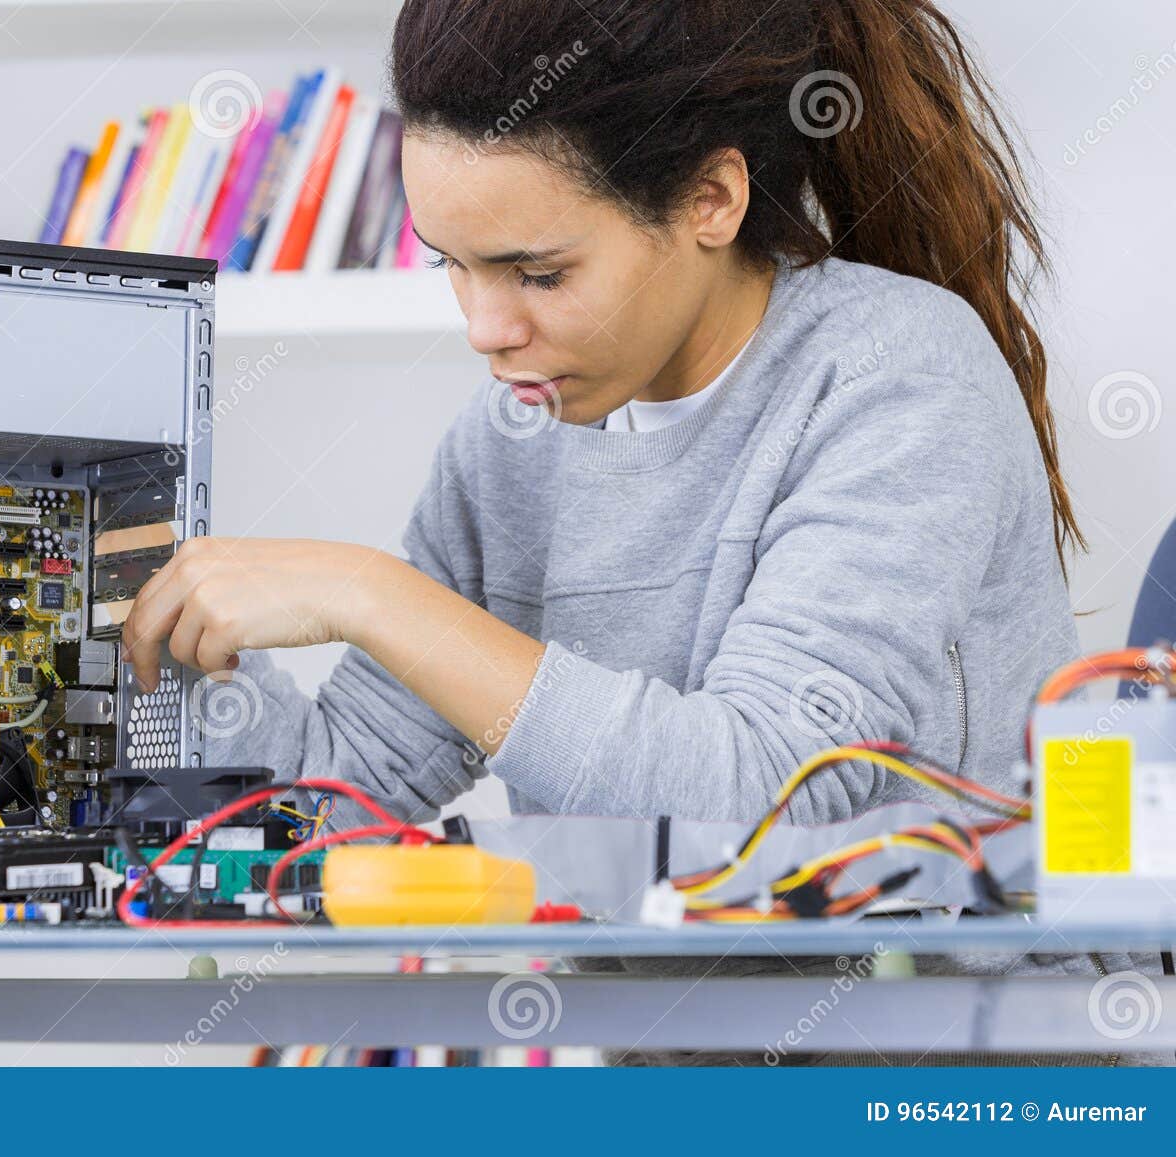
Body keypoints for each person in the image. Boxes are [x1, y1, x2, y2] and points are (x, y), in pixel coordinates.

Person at [122, 0, 1167, 1065]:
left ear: (710, 199)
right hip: (668, 1080)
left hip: (964, 1082)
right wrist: (140, 622)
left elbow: (764, 805)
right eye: (451, 262)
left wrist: (372, 594)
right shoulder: (513, 438)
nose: (485, 329)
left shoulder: (896, 375)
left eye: (537, 273)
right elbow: (334, 802)